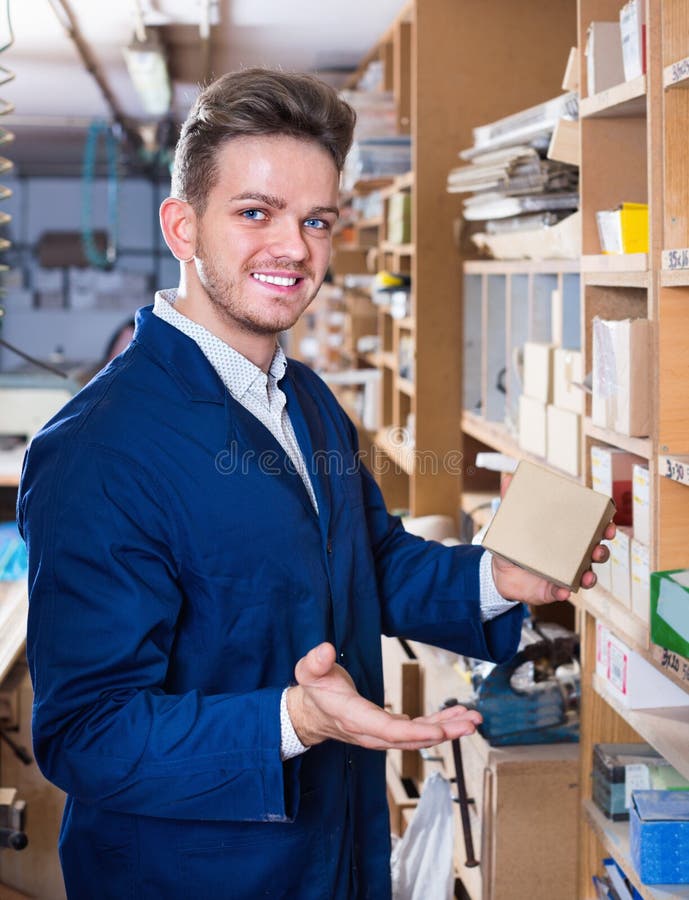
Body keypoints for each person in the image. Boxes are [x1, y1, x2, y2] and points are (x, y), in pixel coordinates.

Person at [17, 68, 613, 900]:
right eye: (255, 213)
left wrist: (494, 577)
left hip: (334, 844)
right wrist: (293, 719)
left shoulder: (305, 401)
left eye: (317, 221)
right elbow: (87, 734)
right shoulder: (98, 451)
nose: (294, 249)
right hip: (193, 875)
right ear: (183, 227)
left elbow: (365, 561)